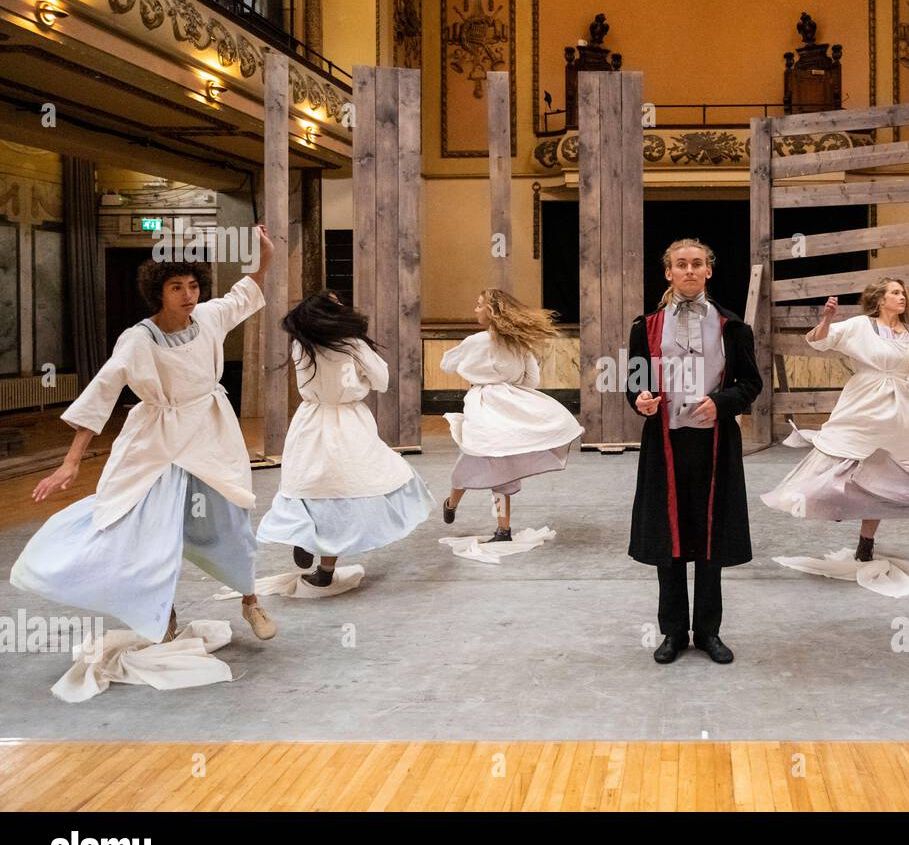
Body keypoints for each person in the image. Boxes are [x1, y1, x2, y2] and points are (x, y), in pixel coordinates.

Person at [10, 226, 279, 643]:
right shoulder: (138, 339)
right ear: (159, 291)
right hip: (157, 440)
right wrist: (70, 461)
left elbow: (248, 290)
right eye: (177, 287)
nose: (188, 294)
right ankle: (161, 614)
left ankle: (250, 601)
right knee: (150, 529)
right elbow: (101, 392)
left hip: (210, 432)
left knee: (231, 518)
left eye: (193, 285)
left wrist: (265, 255)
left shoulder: (208, 317)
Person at [627, 238, 762, 665]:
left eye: (697, 264)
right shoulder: (644, 327)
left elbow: (751, 385)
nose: (689, 270)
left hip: (715, 446)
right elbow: (634, 381)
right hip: (665, 448)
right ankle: (671, 633)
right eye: (680, 264)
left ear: (709, 271)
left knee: (710, 543)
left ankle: (708, 632)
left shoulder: (732, 326)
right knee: (669, 542)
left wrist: (721, 404)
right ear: (668, 272)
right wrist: (640, 400)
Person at [256, 291, 434, 586]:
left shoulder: (302, 344)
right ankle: (325, 570)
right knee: (345, 492)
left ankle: (304, 535)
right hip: (348, 422)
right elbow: (382, 380)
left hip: (310, 420)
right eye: (336, 302)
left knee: (306, 485)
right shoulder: (352, 344)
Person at [762, 278, 909, 560]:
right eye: (895, 292)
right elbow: (819, 341)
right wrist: (827, 319)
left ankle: (866, 542)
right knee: (844, 456)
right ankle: (834, 502)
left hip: (900, 409)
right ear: (880, 299)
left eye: (903, 292)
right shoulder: (861, 325)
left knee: (888, 472)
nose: (902, 297)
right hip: (864, 403)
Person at [440, 289, 583, 541]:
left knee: (471, 459)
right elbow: (532, 380)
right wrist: (513, 393)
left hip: (483, 406)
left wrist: (477, 374)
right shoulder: (519, 344)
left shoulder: (475, 341)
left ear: (491, 311)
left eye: (479, 304)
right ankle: (502, 528)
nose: (475, 309)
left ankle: (452, 505)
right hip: (510, 406)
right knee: (502, 466)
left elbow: (446, 364)